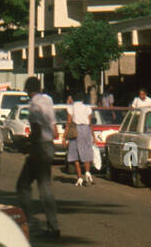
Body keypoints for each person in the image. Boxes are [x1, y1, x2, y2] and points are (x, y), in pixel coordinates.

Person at [16, 76, 61, 238]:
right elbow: (54, 129)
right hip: (49, 146)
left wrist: (25, 143)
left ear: (28, 90)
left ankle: (31, 222)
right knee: (44, 186)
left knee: (23, 186)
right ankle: (53, 225)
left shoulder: (34, 105)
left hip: (39, 147)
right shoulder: (48, 101)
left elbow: (36, 130)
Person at [68, 95, 95, 186]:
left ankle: (79, 177)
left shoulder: (71, 107)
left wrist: (64, 136)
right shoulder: (87, 107)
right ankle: (87, 172)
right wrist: (93, 135)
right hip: (86, 130)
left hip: (76, 130)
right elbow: (90, 122)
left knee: (75, 154)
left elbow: (69, 122)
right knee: (86, 151)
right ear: (83, 99)